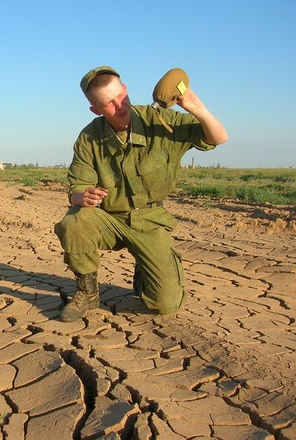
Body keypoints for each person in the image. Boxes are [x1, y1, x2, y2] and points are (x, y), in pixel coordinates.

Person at [54, 66, 228, 322]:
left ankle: (145, 269)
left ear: (125, 89)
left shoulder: (159, 120)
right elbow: (76, 189)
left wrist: (197, 108)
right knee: (74, 222)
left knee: (165, 303)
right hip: (110, 220)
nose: (119, 105)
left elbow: (218, 138)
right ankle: (87, 292)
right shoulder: (89, 137)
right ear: (96, 109)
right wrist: (83, 197)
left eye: (120, 95)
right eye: (109, 103)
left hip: (150, 220)